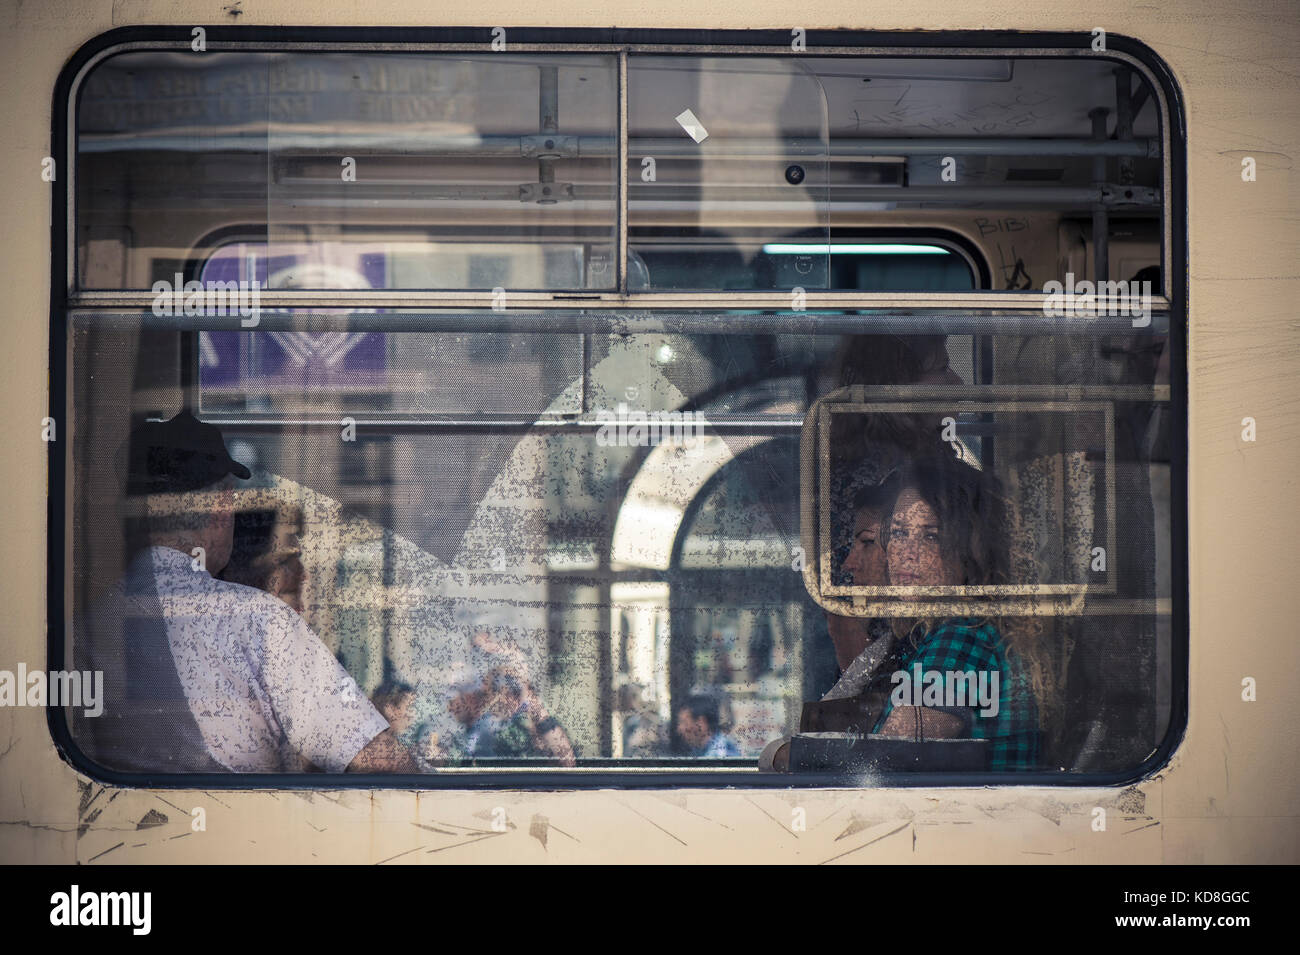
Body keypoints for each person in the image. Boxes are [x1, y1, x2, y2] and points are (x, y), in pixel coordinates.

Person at [80, 410, 415, 774]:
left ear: (124, 514)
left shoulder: (82, 634)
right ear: (223, 508)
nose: (300, 582)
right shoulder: (260, 623)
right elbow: (382, 766)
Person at [871, 458, 1042, 771]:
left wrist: (792, 754)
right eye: (898, 532)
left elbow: (884, 761)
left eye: (931, 536)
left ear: (972, 549)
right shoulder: (969, 629)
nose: (908, 554)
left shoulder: (963, 637)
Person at [676, 695, 740, 757]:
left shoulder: (723, 755)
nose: (679, 729)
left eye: (684, 722)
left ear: (701, 722)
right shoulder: (699, 751)